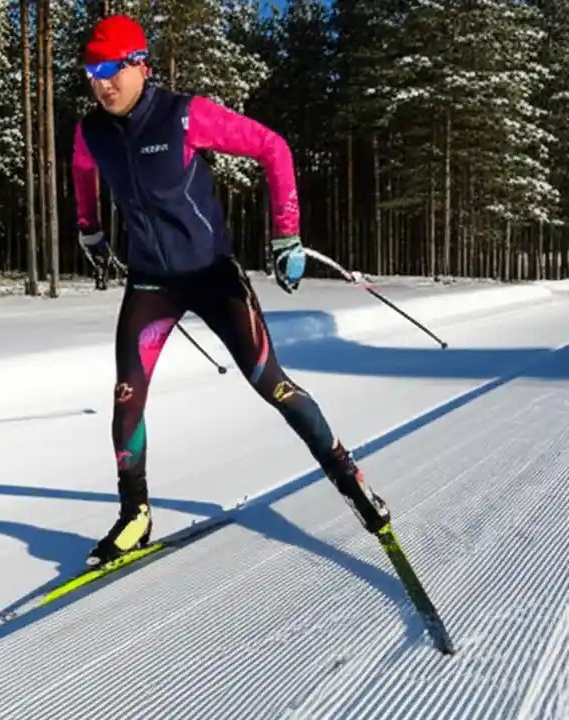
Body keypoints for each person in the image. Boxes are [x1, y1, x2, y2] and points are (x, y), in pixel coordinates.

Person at [70, 15, 390, 567]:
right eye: (92, 71)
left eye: (113, 69)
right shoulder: (90, 131)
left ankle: (348, 476)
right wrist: (89, 227)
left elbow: (273, 147)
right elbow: (81, 169)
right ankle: (135, 515)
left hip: (213, 276)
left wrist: (286, 231)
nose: (103, 83)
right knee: (127, 395)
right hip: (152, 282)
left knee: (273, 385)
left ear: (142, 65)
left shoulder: (184, 115)